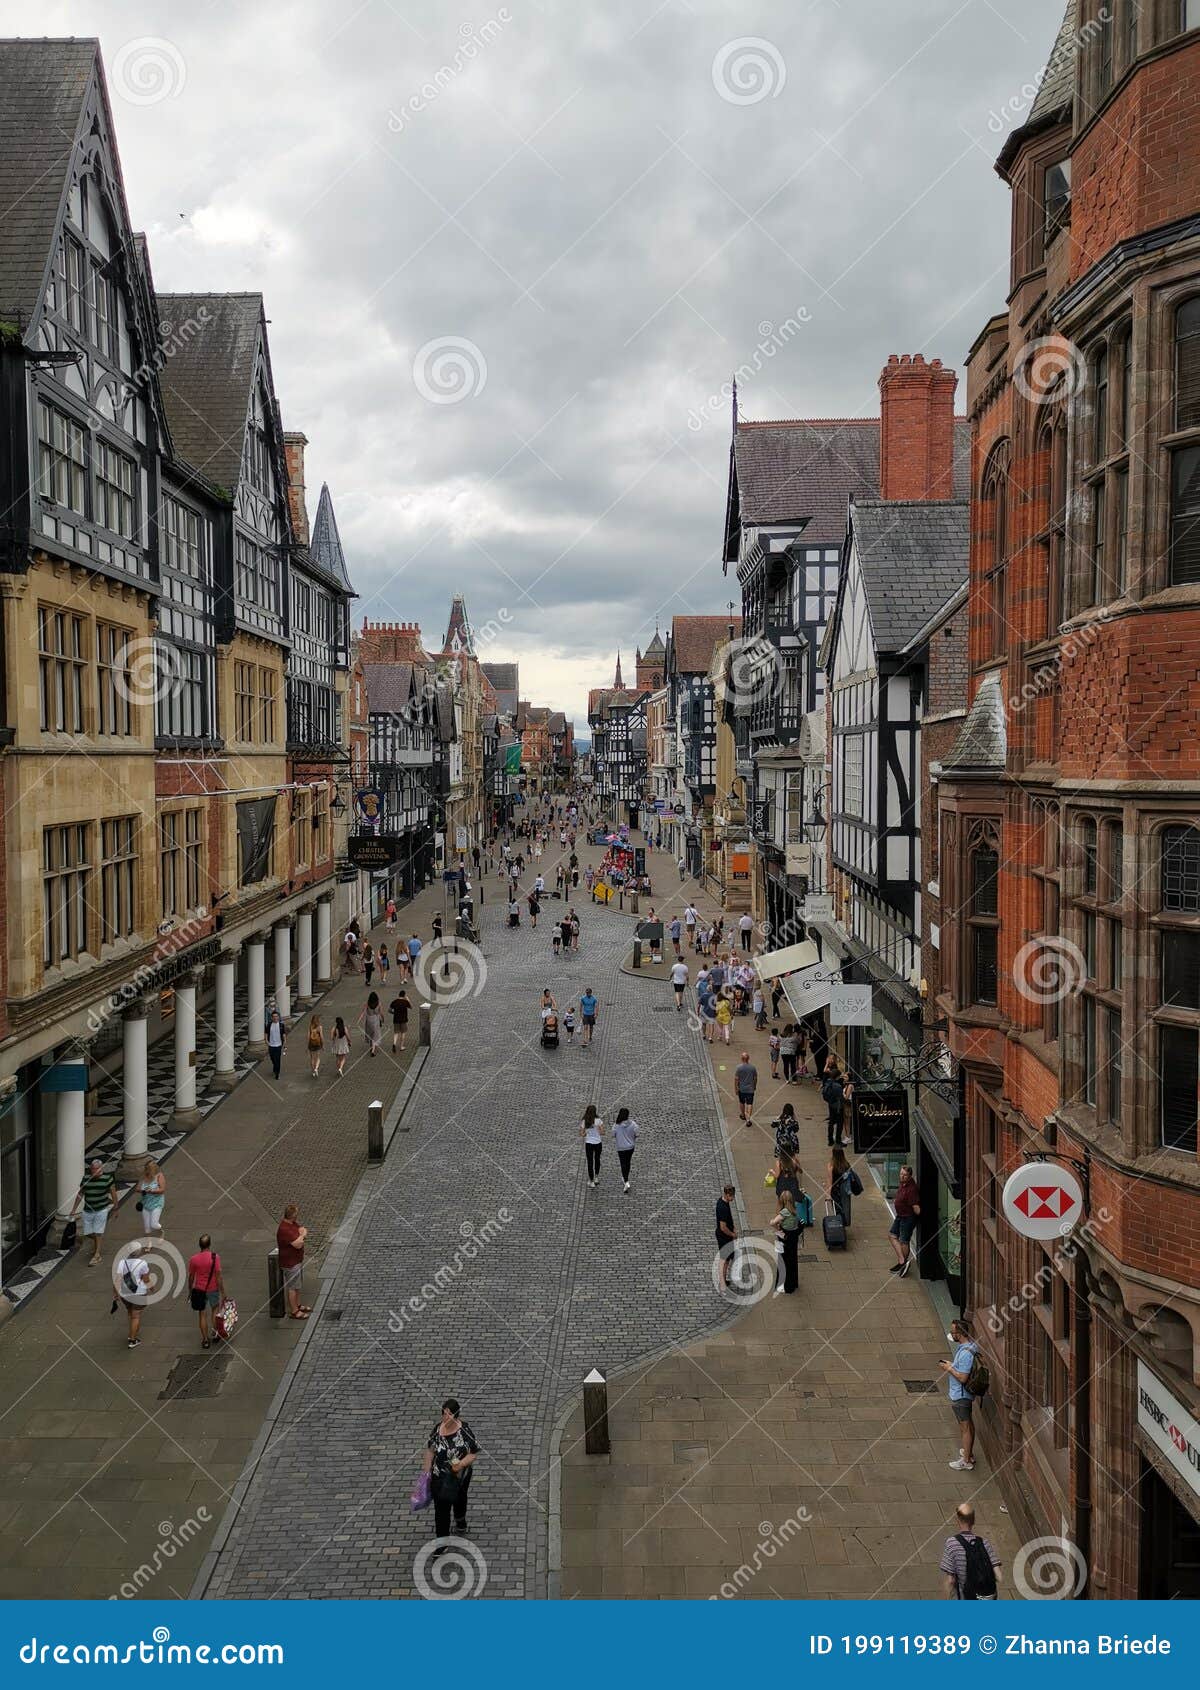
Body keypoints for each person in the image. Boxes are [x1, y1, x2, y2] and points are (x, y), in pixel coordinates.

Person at [422, 1398, 480, 1547]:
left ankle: (460, 1519)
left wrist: (460, 1464)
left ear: (456, 1416)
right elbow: (430, 1451)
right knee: (441, 1511)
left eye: (449, 1414)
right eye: (444, 1414)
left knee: (460, 1499)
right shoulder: (437, 1430)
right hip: (439, 1478)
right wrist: (426, 1473)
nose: (446, 1417)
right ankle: (442, 1544)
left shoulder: (464, 1431)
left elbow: (473, 1453)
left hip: (459, 1477)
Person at [941, 1317, 981, 1471]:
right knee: (969, 1425)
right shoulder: (970, 1347)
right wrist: (952, 1365)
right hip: (964, 1395)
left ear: (960, 1333)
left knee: (964, 1428)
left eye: (953, 1332)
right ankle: (968, 1453)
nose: (952, 1334)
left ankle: (966, 1461)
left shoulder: (965, 1354)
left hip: (961, 1396)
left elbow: (963, 1377)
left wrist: (948, 1369)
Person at [940, 1503, 1002, 1600]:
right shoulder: (984, 1543)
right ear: (973, 1521)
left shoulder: (952, 1543)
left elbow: (950, 1581)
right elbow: (999, 1576)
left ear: (957, 1520)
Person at [71, 1158, 117, 1266]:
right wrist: (74, 1209)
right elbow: (80, 1194)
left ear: (101, 1168)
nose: (94, 1171)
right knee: (88, 1233)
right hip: (88, 1210)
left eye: (96, 1169)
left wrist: (116, 1208)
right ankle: (98, 1243)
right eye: (92, 1169)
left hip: (101, 1209)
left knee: (98, 1232)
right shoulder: (86, 1179)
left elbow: (113, 1194)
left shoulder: (107, 1178)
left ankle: (97, 1255)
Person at [187, 1232, 225, 1349]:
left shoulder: (194, 1259)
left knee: (202, 1314)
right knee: (214, 1310)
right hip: (213, 1288)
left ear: (200, 1245)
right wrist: (223, 1291)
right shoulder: (215, 1257)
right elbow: (218, 1276)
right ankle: (215, 1333)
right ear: (210, 1244)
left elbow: (191, 1277)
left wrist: (190, 1291)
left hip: (199, 1289)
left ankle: (205, 1340)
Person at [113, 1244, 152, 1348]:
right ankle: (132, 1340)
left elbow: (118, 1279)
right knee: (136, 1316)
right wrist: (152, 1288)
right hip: (139, 1293)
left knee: (130, 1313)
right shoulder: (142, 1263)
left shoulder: (122, 1263)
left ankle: (132, 1333)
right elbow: (146, 1279)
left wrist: (116, 1293)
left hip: (125, 1293)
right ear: (139, 1252)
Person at [276, 1203, 310, 1318]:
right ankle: (295, 1311)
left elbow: (301, 1229)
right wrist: (303, 1235)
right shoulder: (284, 1229)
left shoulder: (292, 1224)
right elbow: (298, 1244)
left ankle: (298, 1304)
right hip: (290, 1263)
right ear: (293, 1216)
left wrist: (302, 1234)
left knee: (297, 1285)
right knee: (292, 1287)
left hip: (296, 1260)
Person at [889, 1165, 921, 1277]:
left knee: (904, 1241)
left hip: (907, 1218)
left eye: (905, 1175)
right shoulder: (903, 1183)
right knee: (892, 1236)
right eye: (901, 1174)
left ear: (910, 1176)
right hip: (900, 1216)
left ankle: (902, 1264)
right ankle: (902, 1261)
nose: (902, 1176)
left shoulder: (912, 1189)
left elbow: (916, 1209)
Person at [770, 1190, 801, 1296]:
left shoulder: (784, 1212)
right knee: (792, 1261)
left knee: (782, 1261)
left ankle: (782, 1284)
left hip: (784, 1238)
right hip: (793, 1238)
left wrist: (778, 1229)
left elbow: (773, 1222)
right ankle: (792, 1284)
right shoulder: (794, 1209)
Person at [714, 1184, 737, 1288]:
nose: (732, 1198)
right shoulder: (723, 1208)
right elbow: (723, 1227)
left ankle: (723, 1279)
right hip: (724, 1237)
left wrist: (733, 1227)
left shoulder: (723, 1201)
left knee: (727, 1259)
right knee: (725, 1260)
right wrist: (732, 1234)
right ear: (726, 1194)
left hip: (725, 1236)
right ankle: (722, 1282)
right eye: (731, 1196)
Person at [137, 1159, 166, 1236]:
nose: (147, 1171)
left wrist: (152, 1191)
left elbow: (162, 1190)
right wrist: (143, 1190)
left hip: (157, 1203)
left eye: (149, 1169)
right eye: (146, 1168)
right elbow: (137, 1189)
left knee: (154, 1224)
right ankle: (149, 1244)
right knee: (147, 1227)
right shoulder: (143, 1177)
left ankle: (161, 1231)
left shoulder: (159, 1176)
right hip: (146, 1203)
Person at [829, 1143, 855, 1228]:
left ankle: (840, 1225)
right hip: (845, 1190)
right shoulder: (846, 1164)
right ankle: (844, 1223)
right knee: (845, 1207)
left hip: (835, 1190)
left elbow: (830, 1181)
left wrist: (828, 1194)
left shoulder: (832, 1165)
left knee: (837, 1208)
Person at [613, 1107, 638, 1192]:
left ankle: (626, 1180)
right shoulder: (633, 1124)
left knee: (623, 1164)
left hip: (621, 1148)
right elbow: (637, 1134)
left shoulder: (616, 1125)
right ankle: (625, 1178)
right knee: (628, 1162)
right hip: (630, 1147)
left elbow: (613, 1134)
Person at [581, 1104, 604, 1187]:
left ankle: (591, 1181)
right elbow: (602, 1133)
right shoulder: (598, 1120)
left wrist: (586, 1132)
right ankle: (596, 1177)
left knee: (590, 1162)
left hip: (589, 1144)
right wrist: (598, 1130)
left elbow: (582, 1134)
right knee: (597, 1159)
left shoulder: (584, 1121)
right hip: (598, 1143)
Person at [821, 1064, 845, 1146]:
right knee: (840, 1123)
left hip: (831, 1104)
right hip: (838, 1106)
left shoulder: (828, 1082)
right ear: (837, 1076)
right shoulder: (837, 1086)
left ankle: (830, 1140)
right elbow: (841, 1097)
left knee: (831, 1122)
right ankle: (838, 1140)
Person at [734, 1050, 757, 1122]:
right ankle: (748, 1118)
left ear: (742, 1059)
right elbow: (755, 1078)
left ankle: (743, 1115)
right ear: (748, 1059)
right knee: (749, 1103)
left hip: (742, 1089)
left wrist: (736, 1088)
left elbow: (736, 1079)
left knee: (742, 1102)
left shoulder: (738, 1068)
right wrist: (754, 1086)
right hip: (750, 1089)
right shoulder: (753, 1067)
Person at [388, 988, 411, 1053]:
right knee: (403, 1033)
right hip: (403, 1019)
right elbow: (411, 1007)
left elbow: (389, 1010)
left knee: (396, 1033)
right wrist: (408, 1000)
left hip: (396, 1019)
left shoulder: (394, 1001)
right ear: (404, 996)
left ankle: (394, 1044)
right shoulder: (405, 1002)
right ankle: (401, 1046)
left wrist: (394, 1013)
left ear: (399, 995)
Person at [266, 1009, 287, 1079]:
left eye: (276, 1016)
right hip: (271, 1045)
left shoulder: (281, 1025)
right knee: (273, 1059)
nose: (275, 1018)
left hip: (278, 1045)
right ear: (272, 1018)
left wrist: (285, 1042)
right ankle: (275, 1067)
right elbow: (266, 1033)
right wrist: (267, 1041)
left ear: (278, 1017)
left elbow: (283, 1034)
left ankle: (277, 1074)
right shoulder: (269, 1025)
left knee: (277, 1059)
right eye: (274, 1016)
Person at [361, 991, 383, 1057]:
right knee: (375, 1035)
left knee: (370, 1034)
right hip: (376, 1020)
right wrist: (383, 1019)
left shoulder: (367, 1003)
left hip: (368, 1020)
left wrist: (360, 1019)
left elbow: (363, 1012)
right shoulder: (379, 1004)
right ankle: (373, 1050)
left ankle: (371, 1047)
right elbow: (381, 1013)